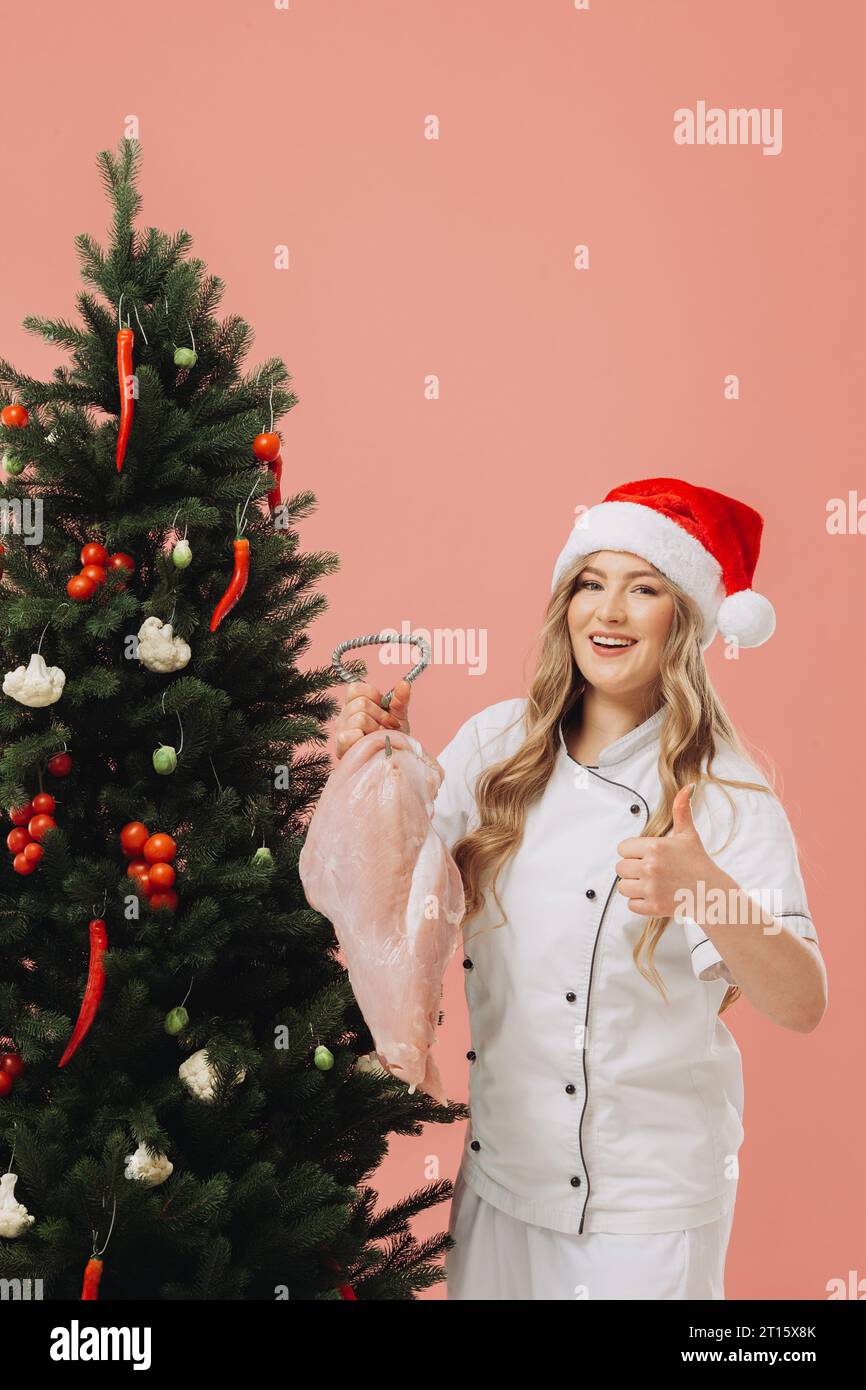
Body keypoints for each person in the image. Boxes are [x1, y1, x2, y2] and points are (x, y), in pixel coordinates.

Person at [332, 477, 827, 1301]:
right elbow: (395, 902)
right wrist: (381, 769)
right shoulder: (496, 744)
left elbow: (802, 1001)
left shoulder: (724, 787)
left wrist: (703, 888)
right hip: (501, 1187)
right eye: (592, 584)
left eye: (645, 589)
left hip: (648, 1210)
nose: (610, 612)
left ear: (689, 619)